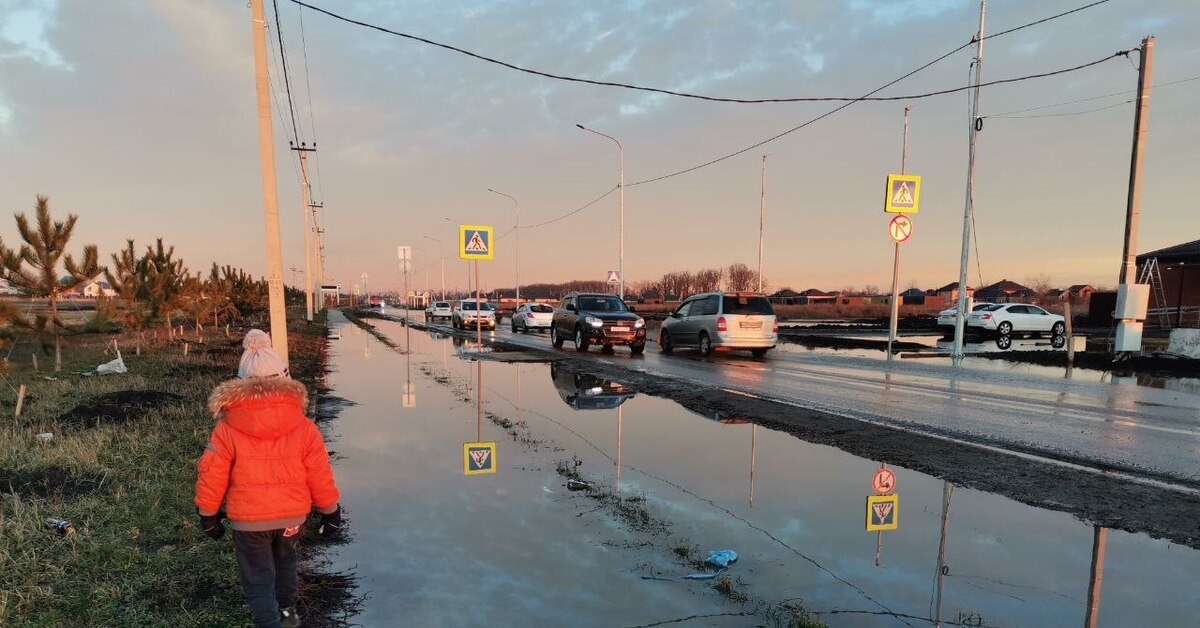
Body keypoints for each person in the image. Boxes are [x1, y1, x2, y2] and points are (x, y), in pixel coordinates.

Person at [195, 329, 342, 628]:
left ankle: (267, 621)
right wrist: (330, 511)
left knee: (257, 574)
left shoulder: (227, 428)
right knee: (286, 561)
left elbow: (213, 473)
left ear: (239, 385)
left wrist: (208, 515)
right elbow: (319, 471)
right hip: (291, 517)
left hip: (248, 522)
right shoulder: (303, 426)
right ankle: (288, 614)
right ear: (284, 380)